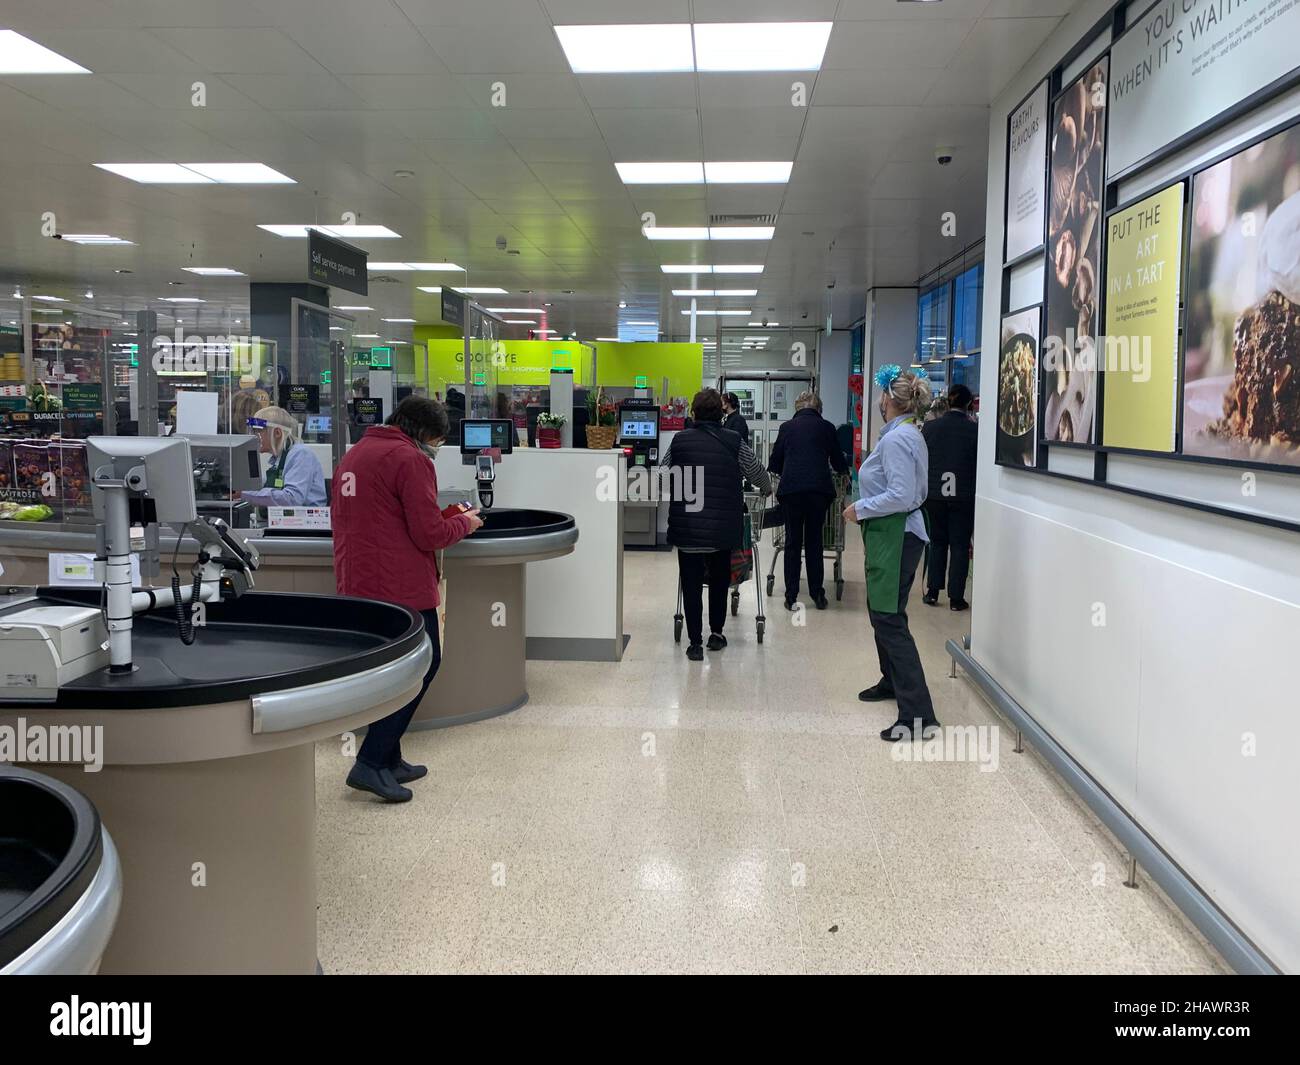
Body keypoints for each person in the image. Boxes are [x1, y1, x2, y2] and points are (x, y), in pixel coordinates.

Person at [332, 396, 483, 802]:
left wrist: (444, 517)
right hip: (400, 587)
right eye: (436, 438)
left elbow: (387, 519)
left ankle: (390, 757)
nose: (436, 446)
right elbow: (428, 536)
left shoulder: (357, 453)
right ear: (421, 432)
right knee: (424, 663)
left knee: (388, 671)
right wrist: (465, 523)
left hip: (359, 582)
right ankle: (369, 762)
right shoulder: (412, 460)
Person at [843, 366, 940, 742]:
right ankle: (892, 680)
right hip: (894, 533)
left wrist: (860, 509)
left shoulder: (899, 439)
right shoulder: (904, 433)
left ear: (888, 399)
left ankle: (918, 715)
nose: (876, 402)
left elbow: (900, 494)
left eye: (880, 395)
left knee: (888, 618)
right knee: (882, 611)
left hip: (897, 535)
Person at [663, 388, 770, 661]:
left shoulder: (679, 441)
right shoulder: (734, 441)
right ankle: (717, 634)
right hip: (721, 530)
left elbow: (663, 476)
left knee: (691, 582)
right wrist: (767, 488)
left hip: (687, 527)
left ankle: (694, 643)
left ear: (694, 413)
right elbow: (757, 472)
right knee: (720, 581)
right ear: (721, 413)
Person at [767, 390, 848, 610]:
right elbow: (839, 462)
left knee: (792, 542)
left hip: (791, 491)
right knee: (814, 542)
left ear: (797, 408)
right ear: (818, 409)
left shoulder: (786, 428)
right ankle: (817, 594)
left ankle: (791, 595)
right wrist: (842, 473)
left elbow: (774, 464)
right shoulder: (828, 428)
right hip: (818, 492)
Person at [921, 383, 978, 611]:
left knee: (937, 543)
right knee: (960, 546)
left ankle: (933, 592)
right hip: (963, 496)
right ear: (968, 404)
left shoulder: (930, 428)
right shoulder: (975, 430)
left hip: (934, 494)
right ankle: (956, 598)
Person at [238, 406, 328, 510]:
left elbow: (292, 499)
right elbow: (271, 485)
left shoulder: (300, 454)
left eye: (257, 431)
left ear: (277, 433)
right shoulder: (280, 459)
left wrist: (245, 494)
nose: (254, 436)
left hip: (305, 524)